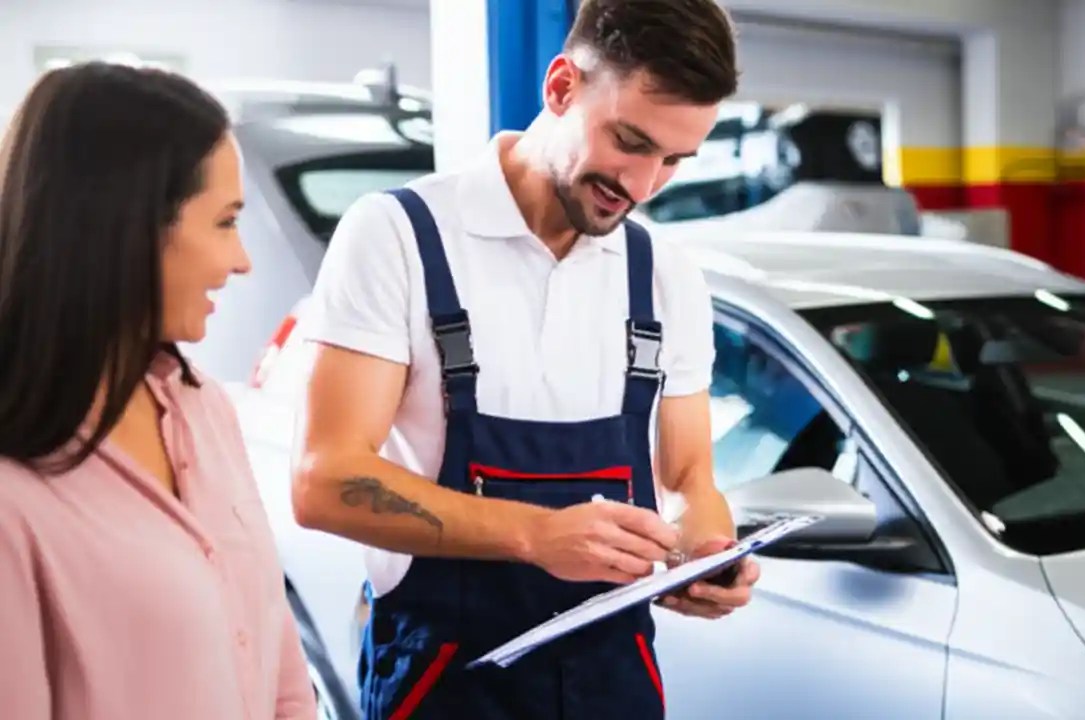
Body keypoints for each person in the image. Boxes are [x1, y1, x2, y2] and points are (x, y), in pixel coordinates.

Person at [291, 0, 754, 717]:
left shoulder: (664, 273)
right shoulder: (401, 237)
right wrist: (534, 535)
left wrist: (704, 552)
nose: (641, 185)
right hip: (444, 678)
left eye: (672, 160)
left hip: (613, 679)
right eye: (629, 141)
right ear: (562, 86)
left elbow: (690, 475)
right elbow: (324, 480)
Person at [0, 62, 317, 719]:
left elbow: (283, 669)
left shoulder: (206, 409)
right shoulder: (15, 494)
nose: (242, 261)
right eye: (225, 222)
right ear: (129, 229)